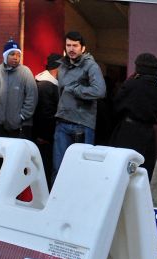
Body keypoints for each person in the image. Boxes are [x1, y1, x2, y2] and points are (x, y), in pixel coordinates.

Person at [53, 31, 106, 174]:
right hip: (62, 121)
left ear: (83, 48)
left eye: (75, 46)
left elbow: (100, 91)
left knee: (81, 170)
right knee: (59, 169)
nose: (71, 49)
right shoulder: (62, 66)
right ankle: (59, 196)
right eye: (68, 45)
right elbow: (62, 92)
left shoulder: (91, 66)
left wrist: (76, 89)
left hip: (82, 124)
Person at [108, 53, 157, 179]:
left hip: (128, 133)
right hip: (148, 136)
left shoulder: (131, 85)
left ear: (139, 69)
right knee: (141, 173)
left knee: (121, 171)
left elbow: (116, 106)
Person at [0, 39, 37, 139]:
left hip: (18, 126)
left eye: (18, 55)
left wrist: (21, 116)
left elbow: (32, 97)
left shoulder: (25, 72)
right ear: (5, 55)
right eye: (12, 54)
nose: (16, 58)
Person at [33, 53, 61, 184]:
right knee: (46, 170)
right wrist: (47, 136)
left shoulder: (41, 82)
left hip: (41, 137)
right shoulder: (47, 86)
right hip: (45, 139)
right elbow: (46, 115)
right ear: (58, 68)